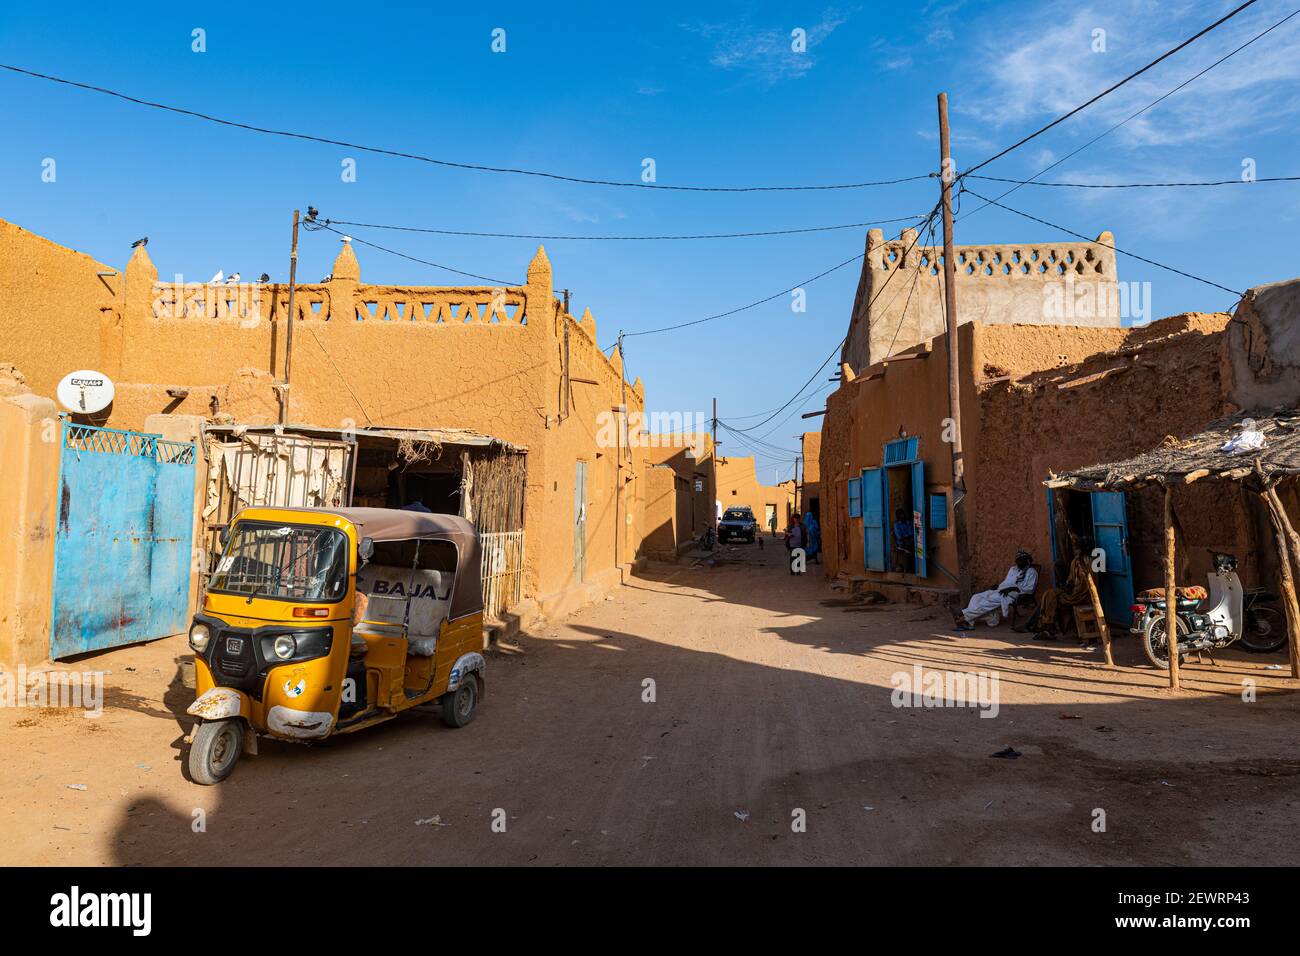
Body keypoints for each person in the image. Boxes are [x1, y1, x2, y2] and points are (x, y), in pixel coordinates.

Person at [1017, 537, 1094, 644]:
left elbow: (1085, 584)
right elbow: (1071, 581)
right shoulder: (1076, 562)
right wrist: (1067, 587)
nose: (1075, 550)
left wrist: (1070, 588)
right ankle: (1045, 627)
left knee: (1050, 596)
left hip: (1081, 595)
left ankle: (1045, 627)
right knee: (1049, 594)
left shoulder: (1088, 563)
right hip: (1074, 593)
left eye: (1077, 548)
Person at [954, 549, 1037, 630]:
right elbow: (1006, 582)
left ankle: (963, 616)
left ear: (1027, 561)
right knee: (976, 597)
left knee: (987, 601)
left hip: (1014, 593)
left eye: (1021, 560)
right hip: (1002, 590)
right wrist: (998, 586)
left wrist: (1013, 588)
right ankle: (988, 619)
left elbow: (1030, 589)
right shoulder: (1013, 569)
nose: (1019, 562)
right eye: (1017, 560)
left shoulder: (1031, 572)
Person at [892, 507, 915, 572]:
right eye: (900, 515)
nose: (902, 516)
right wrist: (908, 537)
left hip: (910, 541)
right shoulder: (896, 525)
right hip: (902, 543)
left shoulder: (909, 523)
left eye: (903, 514)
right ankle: (910, 568)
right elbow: (900, 537)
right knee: (911, 549)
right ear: (897, 516)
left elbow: (913, 533)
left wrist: (909, 537)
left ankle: (913, 567)